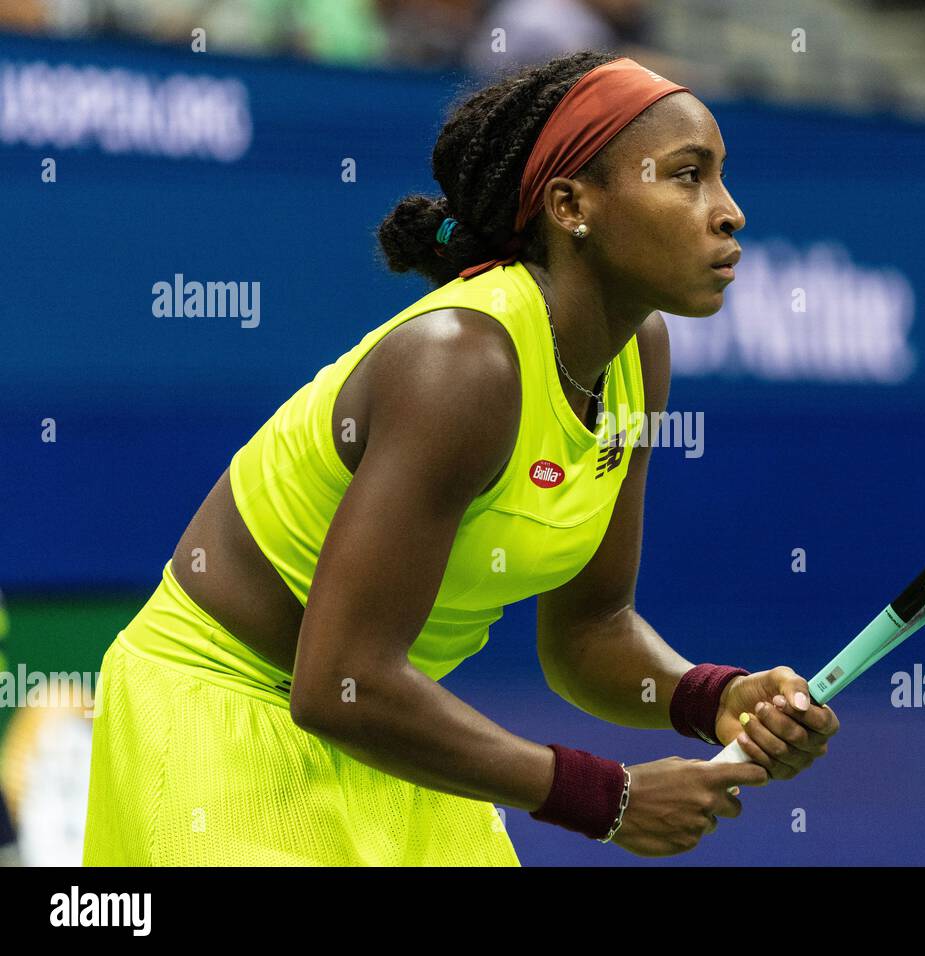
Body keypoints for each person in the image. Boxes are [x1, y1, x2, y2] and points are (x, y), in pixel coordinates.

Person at [82, 50, 839, 866]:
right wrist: (607, 797)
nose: (729, 213)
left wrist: (713, 697)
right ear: (571, 205)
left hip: (390, 728)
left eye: (721, 178)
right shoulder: (461, 364)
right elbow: (340, 682)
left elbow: (589, 632)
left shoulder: (636, 355)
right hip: (224, 722)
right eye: (687, 176)